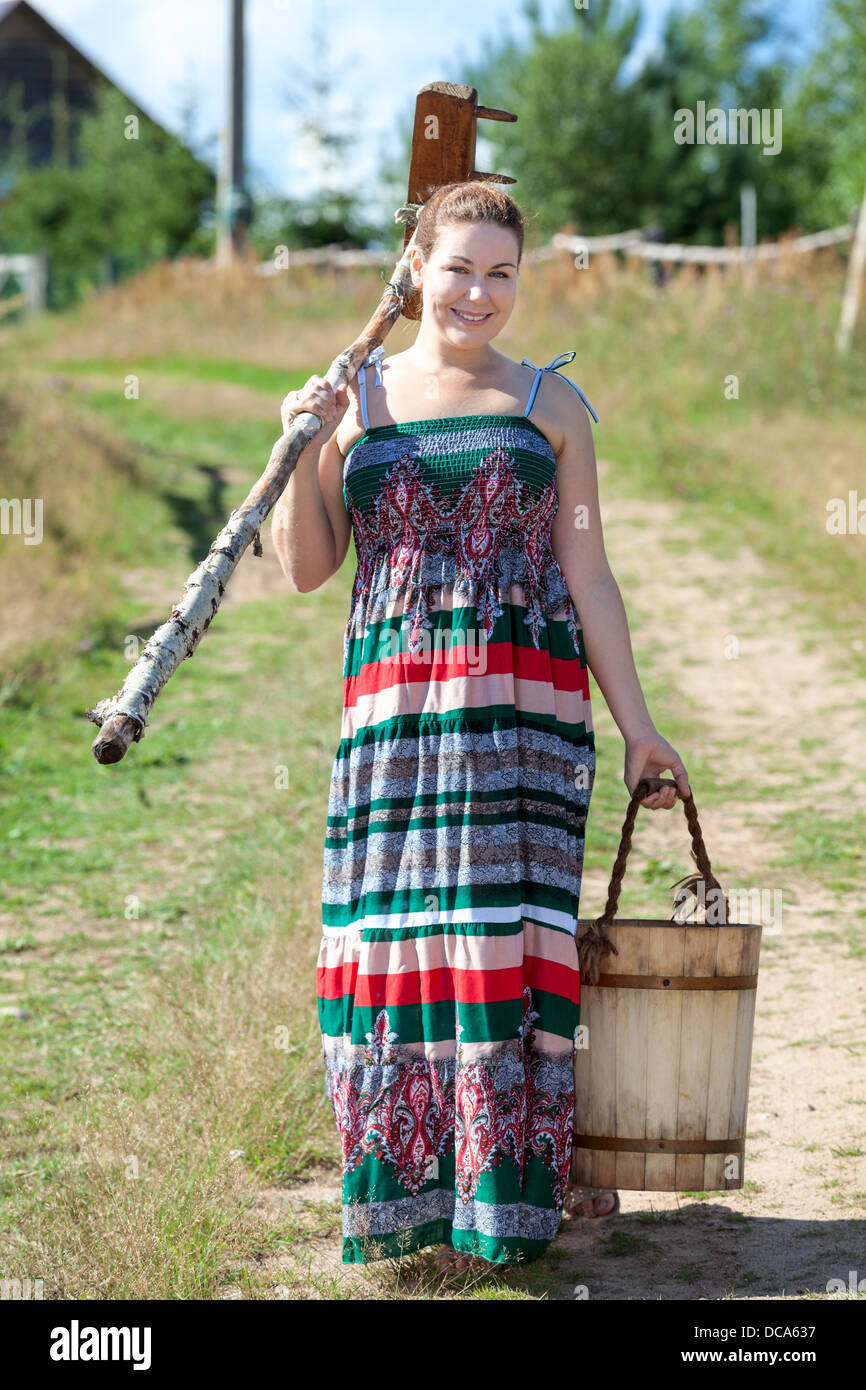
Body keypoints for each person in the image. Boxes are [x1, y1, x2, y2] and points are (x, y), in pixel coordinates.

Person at [272, 181, 690, 1278]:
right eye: (457, 266)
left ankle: (505, 1204)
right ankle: (408, 1200)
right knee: (398, 939)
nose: (478, 292)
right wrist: (298, 445)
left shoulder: (552, 405)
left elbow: (586, 571)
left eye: (501, 272)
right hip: (394, 726)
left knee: (506, 939)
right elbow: (308, 566)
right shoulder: (357, 397)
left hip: (523, 722)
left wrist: (639, 726)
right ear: (413, 269)